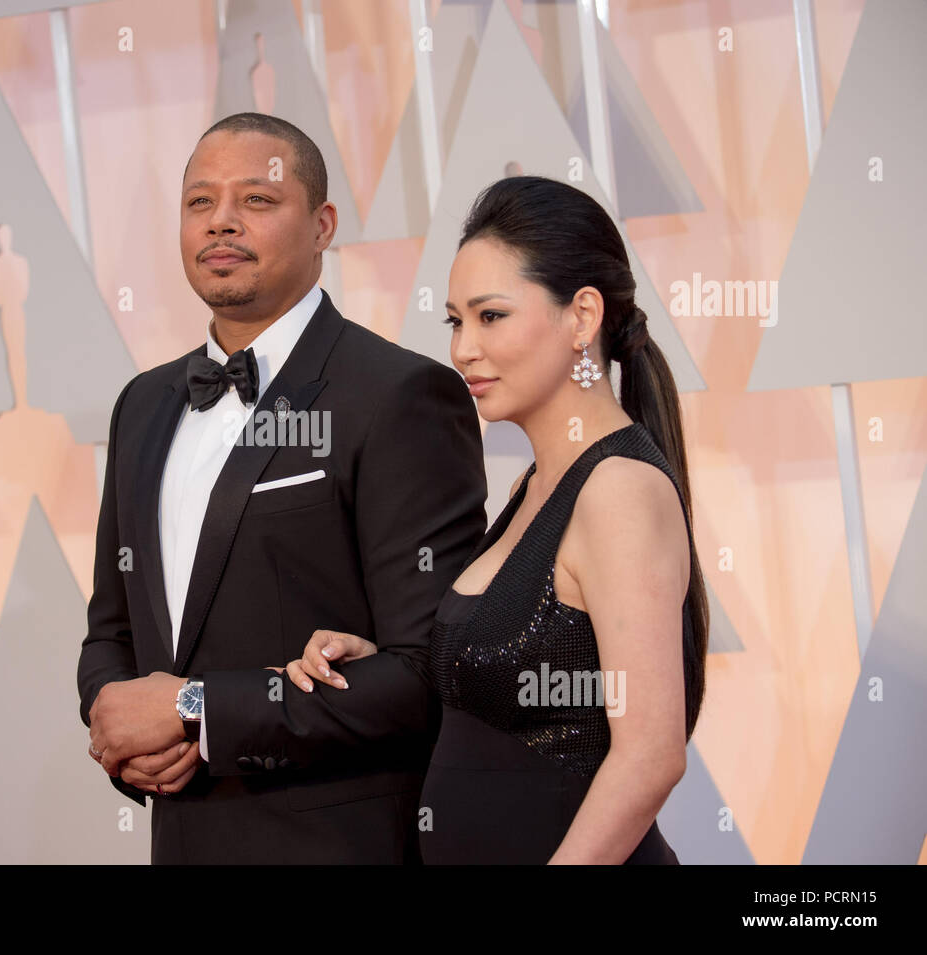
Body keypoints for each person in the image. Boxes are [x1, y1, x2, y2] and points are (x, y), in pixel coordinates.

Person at [77, 112, 487, 864]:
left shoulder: (398, 395)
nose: (221, 221)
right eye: (199, 202)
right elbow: (112, 628)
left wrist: (194, 710)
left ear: (323, 224)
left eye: (256, 200)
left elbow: (427, 670)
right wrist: (115, 725)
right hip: (183, 841)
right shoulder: (143, 404)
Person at [286, 175, 710, 864]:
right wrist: (370, 657)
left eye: (491, 316)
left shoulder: (619, 492)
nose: (463, 350)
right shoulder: (536, 485)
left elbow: (651, 757)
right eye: (456, 320)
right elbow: (507, 681)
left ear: (582, 316)